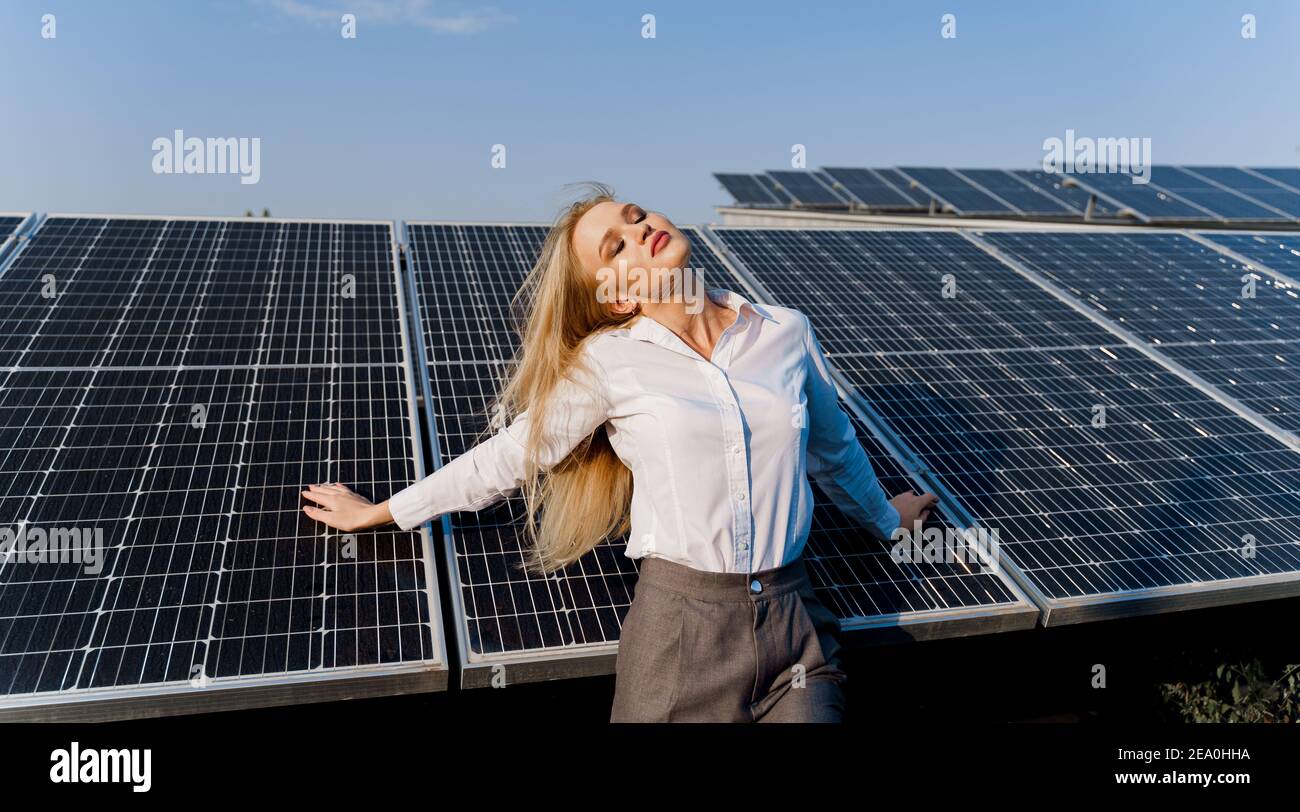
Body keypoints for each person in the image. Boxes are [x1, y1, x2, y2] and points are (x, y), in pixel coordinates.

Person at [301, 184, 937, 722]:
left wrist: (887, 519)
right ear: (617, 298)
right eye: (617, 245)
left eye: (637, 218)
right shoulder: (609, 363)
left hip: (796, 624)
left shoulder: (785, 332)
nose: (642, 230)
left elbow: (833, 449)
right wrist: (382, 512)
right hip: (679, 641)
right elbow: (511, 456)